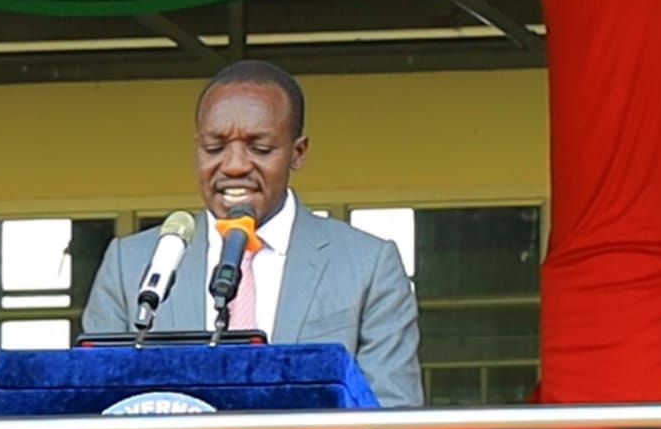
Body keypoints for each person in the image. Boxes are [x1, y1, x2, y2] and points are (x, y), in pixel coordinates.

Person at [80, 59, 424, 408]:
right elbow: (91, 405)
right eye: (214, 148)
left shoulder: (368, 266)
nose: (234, 165)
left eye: (259, 148)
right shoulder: (130, 265)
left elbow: (392, 415)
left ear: (298, 153)